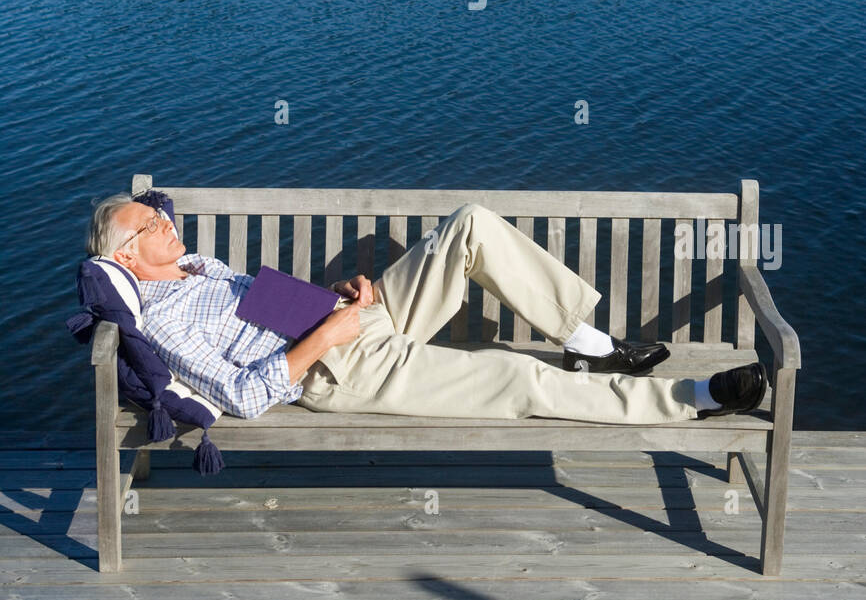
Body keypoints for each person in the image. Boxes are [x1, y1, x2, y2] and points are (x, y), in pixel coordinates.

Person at [87, 194, 768, 426]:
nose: (168, 222)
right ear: (123, 256)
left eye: (159, 215)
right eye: (151, 224)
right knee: (517, 379)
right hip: (340, 368)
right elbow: (241, 394)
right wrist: (329, 332)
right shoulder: (166, 322)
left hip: (350, 321)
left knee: (469, 226)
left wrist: (341, 301)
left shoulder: (195, 267)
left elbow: (263, 306)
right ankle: (695, 397)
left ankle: (588, 339)